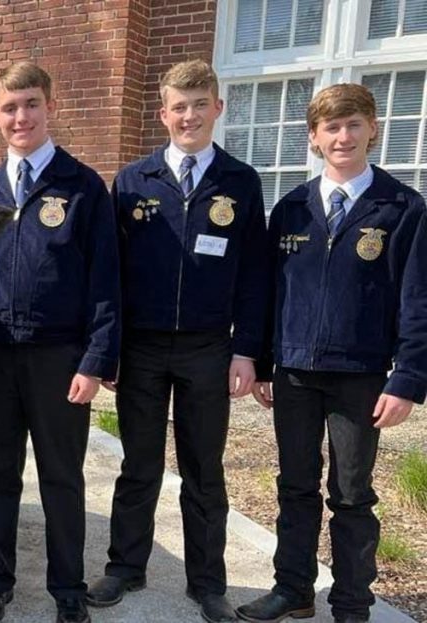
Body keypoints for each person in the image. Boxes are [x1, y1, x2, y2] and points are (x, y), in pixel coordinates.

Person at [236, 84, 427, 623]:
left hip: (359, 376)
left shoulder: (403, 209)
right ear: (314, 139)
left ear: (373, 128)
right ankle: (293, 590)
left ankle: (350, 603)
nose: (342, 136)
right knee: (295, 486)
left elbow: (419, 302)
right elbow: (267, 293)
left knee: (350, 494)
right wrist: (261, 362)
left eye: (353, 125)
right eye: (330, 128)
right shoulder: (293, 209)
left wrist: (407, 377)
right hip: (294, 373)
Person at [85, 60, 268, 623]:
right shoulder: (134, 180)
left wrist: (248, 350)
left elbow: (255, 273)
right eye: (178, 107)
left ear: (218, 108)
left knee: (203, 469)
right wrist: (108, 348)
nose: (189, 115)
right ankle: (125, 566)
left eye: (199, 104)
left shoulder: (240, 182)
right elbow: (110, 274)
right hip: (141, 347)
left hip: (208, 348)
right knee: (138, 464)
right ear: (163, 114)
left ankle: (208, 581)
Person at [0, 61, 120, 623]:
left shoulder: (82, 188)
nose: (20, 116)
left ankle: (68, 589)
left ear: (50, 106)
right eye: (9, 107)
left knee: (60, 478)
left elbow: (105, 281)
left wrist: (96, 360)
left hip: (60, 361)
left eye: (30, 104)